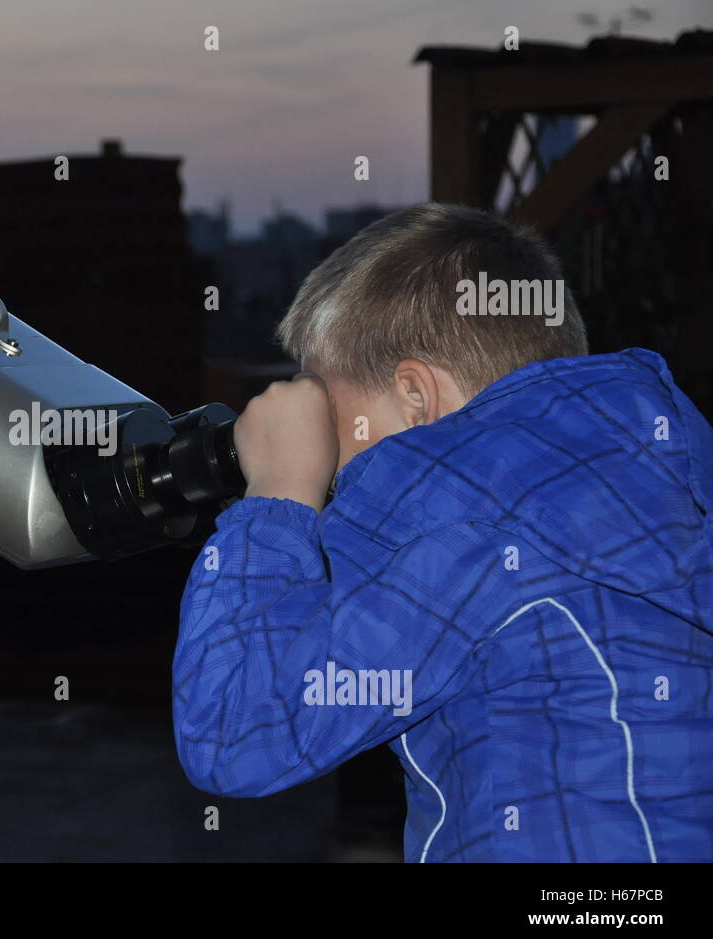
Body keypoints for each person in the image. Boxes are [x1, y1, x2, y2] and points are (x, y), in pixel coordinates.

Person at [173, 203, 713, 862]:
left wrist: (279, 493)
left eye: (332, 419)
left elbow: (234, 728)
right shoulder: (669, 479)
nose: (332, 462)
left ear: (416, 399)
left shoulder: (462, 524)